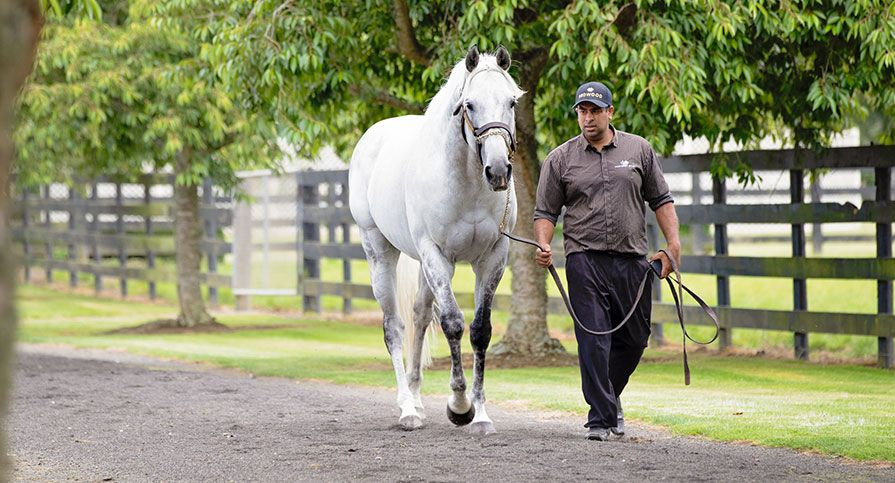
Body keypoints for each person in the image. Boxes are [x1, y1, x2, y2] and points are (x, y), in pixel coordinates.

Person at [533, 81, 681, 441]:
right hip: (585, 259)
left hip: (633, 260)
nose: (588, 118)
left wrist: (673, 246)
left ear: (610, 112)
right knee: (594, 337)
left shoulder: (639, 150)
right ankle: (600, 418)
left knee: (635, 338)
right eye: (582, 111)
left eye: (595, 111)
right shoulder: (560, 159)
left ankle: (609, 397)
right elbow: (545, 211)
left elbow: (661, 200)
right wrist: (543, 244)